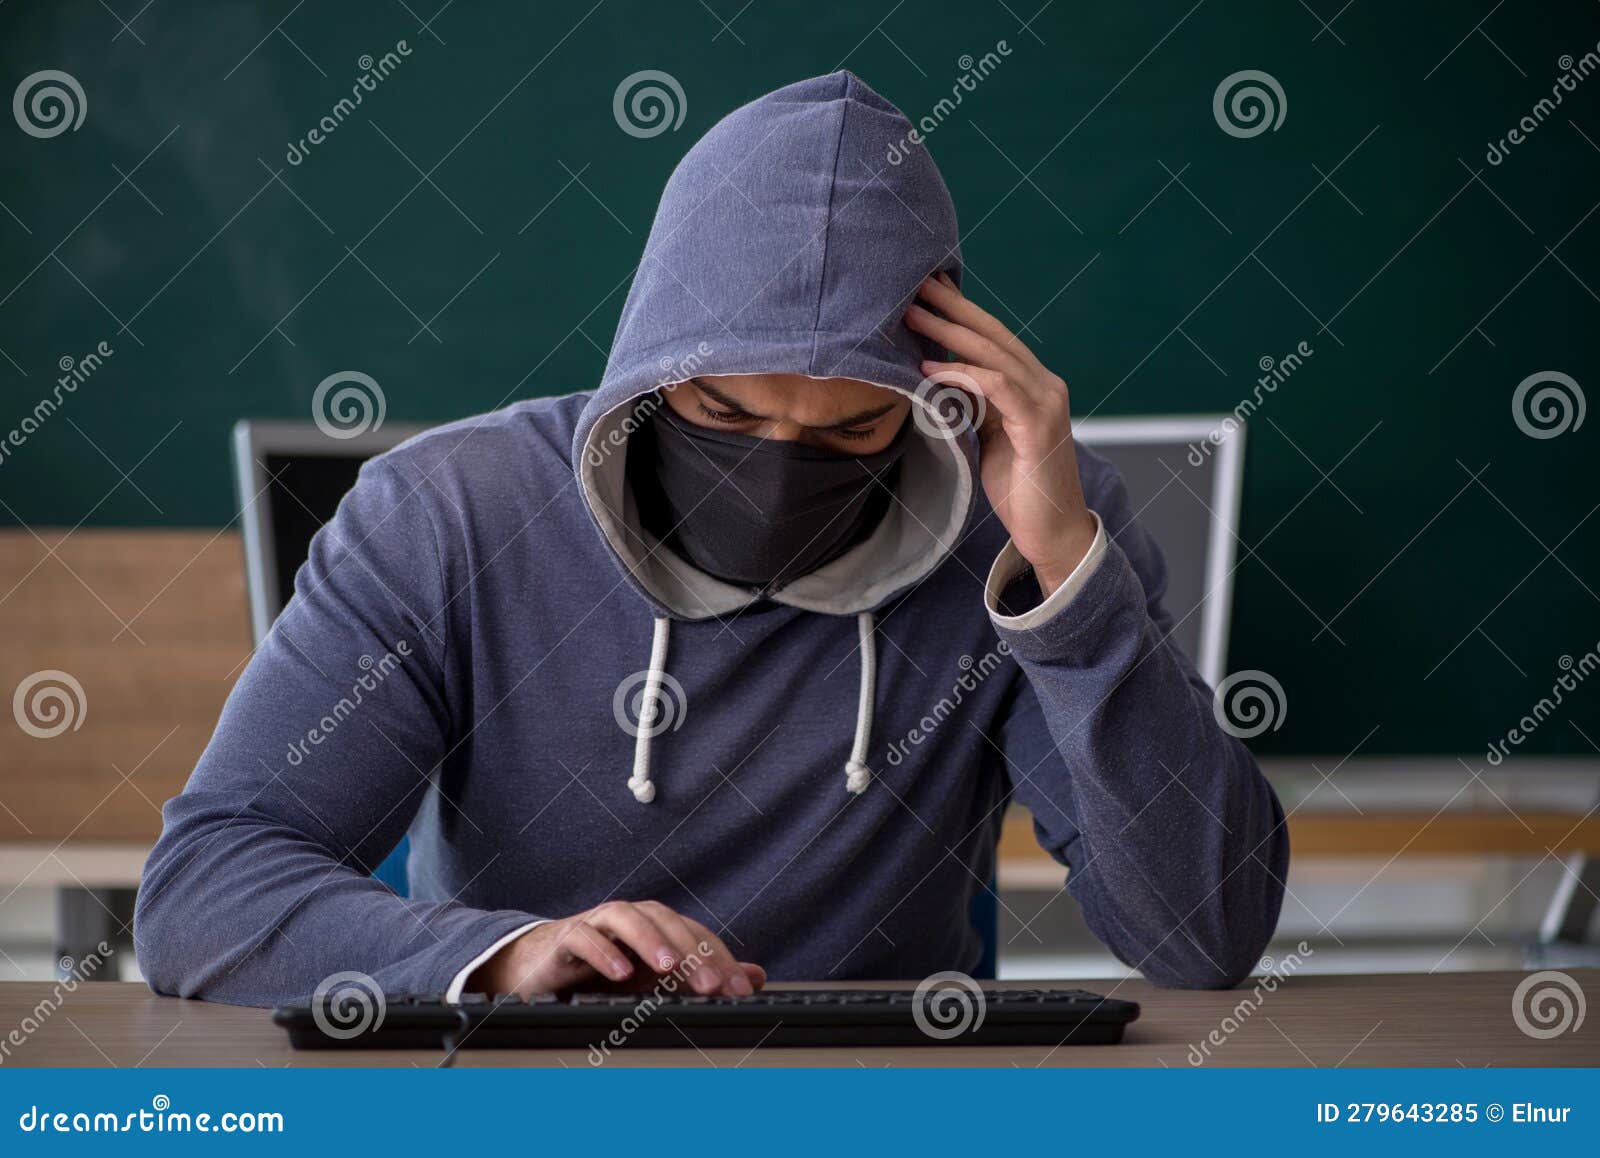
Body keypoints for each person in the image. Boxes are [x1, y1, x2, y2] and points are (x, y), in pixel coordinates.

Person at [136, 72, 1286, 1004]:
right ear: (648, 377)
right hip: (519, 1107)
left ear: (928, 397)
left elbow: (1203, 936)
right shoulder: (444, 515)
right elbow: (203, 890)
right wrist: (491, 959)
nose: (777, 464)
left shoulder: (1027, 531)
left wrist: (1069, 578)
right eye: (725, 416)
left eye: (851, 428)